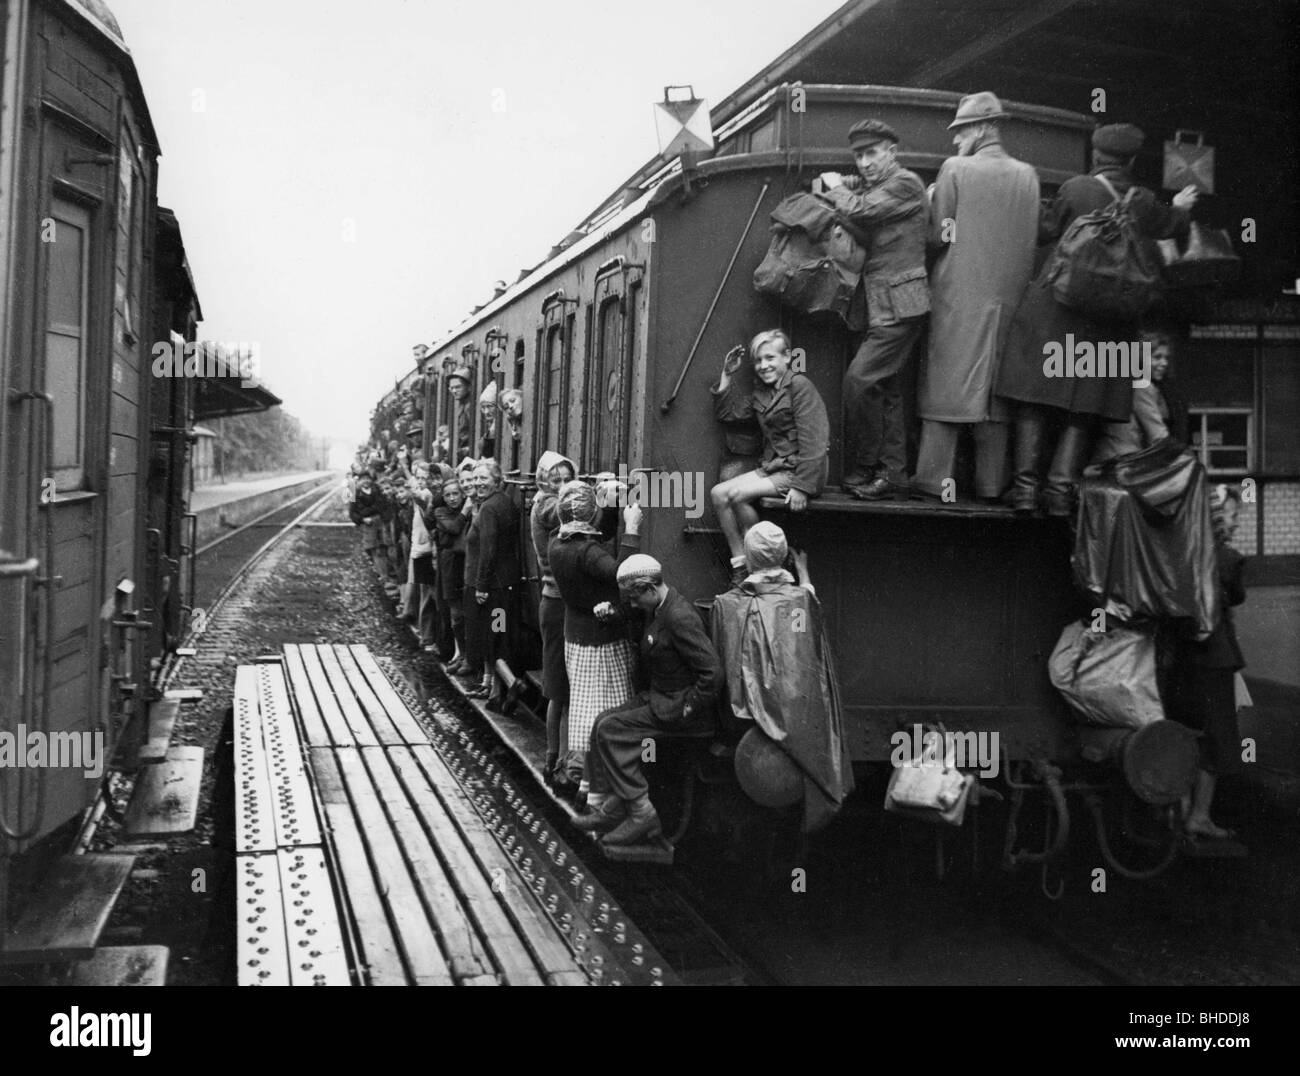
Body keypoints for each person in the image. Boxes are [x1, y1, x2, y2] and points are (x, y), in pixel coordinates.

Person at [997, 123, 1200, 514]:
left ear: (1096, 156)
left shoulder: (1075, 189)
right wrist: (1183, 207)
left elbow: (1043, 231)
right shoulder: (1143, 202)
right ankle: (1059, 492)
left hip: (1057, 311)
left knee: (1033, 399)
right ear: (1132, 160)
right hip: (1110, 324)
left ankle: (1024, 489)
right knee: (1085, 406)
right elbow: (1173, 224)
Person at [913, 91, 1041, 505]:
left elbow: (941, 235)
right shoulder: (1029, 175)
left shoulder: (955, 169)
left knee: (948, 386)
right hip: (1011, 299)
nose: (955, 140)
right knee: (996, 394)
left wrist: (931, 202)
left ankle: (935, 484)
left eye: (961, 130)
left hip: (958, 295)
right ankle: (990, 486)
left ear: (984, 127)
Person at [710, 522, 854, 832]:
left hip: (746, 719)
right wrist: (803, 571)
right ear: (783, 554)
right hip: (797, 710)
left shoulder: (727, 605)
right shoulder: (800, 600)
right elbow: (807, 602)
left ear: (748, 556)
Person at [575, 555, 721, 846]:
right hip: (659, 698)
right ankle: (612, 809)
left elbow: (713, 674)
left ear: (649, 590)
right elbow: (632, 618)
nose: (632, 606)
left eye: (633, 599)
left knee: (610, 730)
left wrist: (687, 705)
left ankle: (642, 814)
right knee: (602, 721)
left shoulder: (679, 617)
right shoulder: (658, 607)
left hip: (679, 711)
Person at [818, 118, 930, 501]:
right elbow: (858, 191)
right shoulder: (879, 183)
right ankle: (892, 475)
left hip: (900, 306)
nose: (864, 163)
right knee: (887, 390)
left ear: (892, 152)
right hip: (883, 305)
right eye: (858, 156)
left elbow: (863, 210)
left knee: (859, 381)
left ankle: (867, 466)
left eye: (871, 153)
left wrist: (834, 186)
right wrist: (838, 183)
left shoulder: (905, 184)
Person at [710, 329, 829, 585]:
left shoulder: (799, 387)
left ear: (787, 357)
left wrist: (802, 487)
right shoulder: (762, 392)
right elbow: (727, 415)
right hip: (775, 468)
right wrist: (727, 374)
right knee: (719, 494)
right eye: (759, 360)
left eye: (770, 358)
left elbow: (816, 440)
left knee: (738, 496)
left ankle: (757, 565)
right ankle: (741, 564)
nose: (764, 366)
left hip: (800, 472)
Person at [549, 481, 642, 797]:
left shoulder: (557, 545)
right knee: (608, 718)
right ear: (592, 513)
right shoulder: (586, 552)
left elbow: (593, 544)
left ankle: (586, 785)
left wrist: (611, 509)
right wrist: (631, 528)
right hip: (602, 640)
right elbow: (621, 572)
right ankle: (598, 795)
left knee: (587, 715)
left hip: (575, 637)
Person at [1167, 485, 1246, 840]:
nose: (1236, 522)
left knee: (1183, 733)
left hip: (1182, 661)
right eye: (1233, 515)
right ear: (1217, 517)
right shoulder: (1229, 559)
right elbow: (1237, 595)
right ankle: (1199, 816)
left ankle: (1179, 809)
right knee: (1216, 741)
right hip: (1215, 662)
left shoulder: (1182, 554)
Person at [531, 450, 577, 789]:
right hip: (557, 603)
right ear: (544, 482)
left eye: (566, 478)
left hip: (557, 602)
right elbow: (572, 509)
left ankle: (557, 760)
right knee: (560, 690)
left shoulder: (544, 502)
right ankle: (554, 760)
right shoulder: (547, 506)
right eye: (555, 480)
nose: (562, 485)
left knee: (561, 690)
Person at [462, 459, 520, 705]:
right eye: (475, 479)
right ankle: (494, 691)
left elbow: (488, 550)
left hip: (492, 589)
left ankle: (510, 683)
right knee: (497, 635)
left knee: (491, 637)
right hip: (505, 585)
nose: (478, 483)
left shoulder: (488, 508)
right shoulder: (504, 503)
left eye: (483, 478)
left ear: (497, 480)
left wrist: (482, 586)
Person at [1090, 331, 1188, 462]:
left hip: (1112, 459)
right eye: (1157, 357)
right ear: (1142, 358)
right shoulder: (1141, 386)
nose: (1164, 363)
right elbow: (1159, 437)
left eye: (1166, 358)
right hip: (1126, 462)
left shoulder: (1129, 382)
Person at [434, 479, 470, 671]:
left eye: (455, 493)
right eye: (447, 495)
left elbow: (453, 535)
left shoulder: (474, 508)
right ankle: (461, 654)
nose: (452, 498)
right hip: (451, 568)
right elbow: (454, 528)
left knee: (470, 613)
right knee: (456, 614)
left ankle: (468, 657)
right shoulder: (440, 512)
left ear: (462, 494)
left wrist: (451, 538)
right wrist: (465, 513)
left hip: (466, 564)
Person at [349, 470, 392, 583]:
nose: (366, 481)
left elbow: (381, 505)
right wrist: (362, 519)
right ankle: (379, 571)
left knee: (381, 548)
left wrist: (375, 514)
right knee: (371, 548)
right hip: (367, 524)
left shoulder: (377, 490)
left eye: (368, 479)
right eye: (363, 479)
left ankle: (384, 575)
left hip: (379, 522)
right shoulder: (355, 493)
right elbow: (352, 513)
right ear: (359, 480)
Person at [447, 366, 475, 462]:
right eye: (451, 388)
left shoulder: (470, 406)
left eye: (458, 387)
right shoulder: (461, 404)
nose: (454, 391)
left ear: (469, 387)